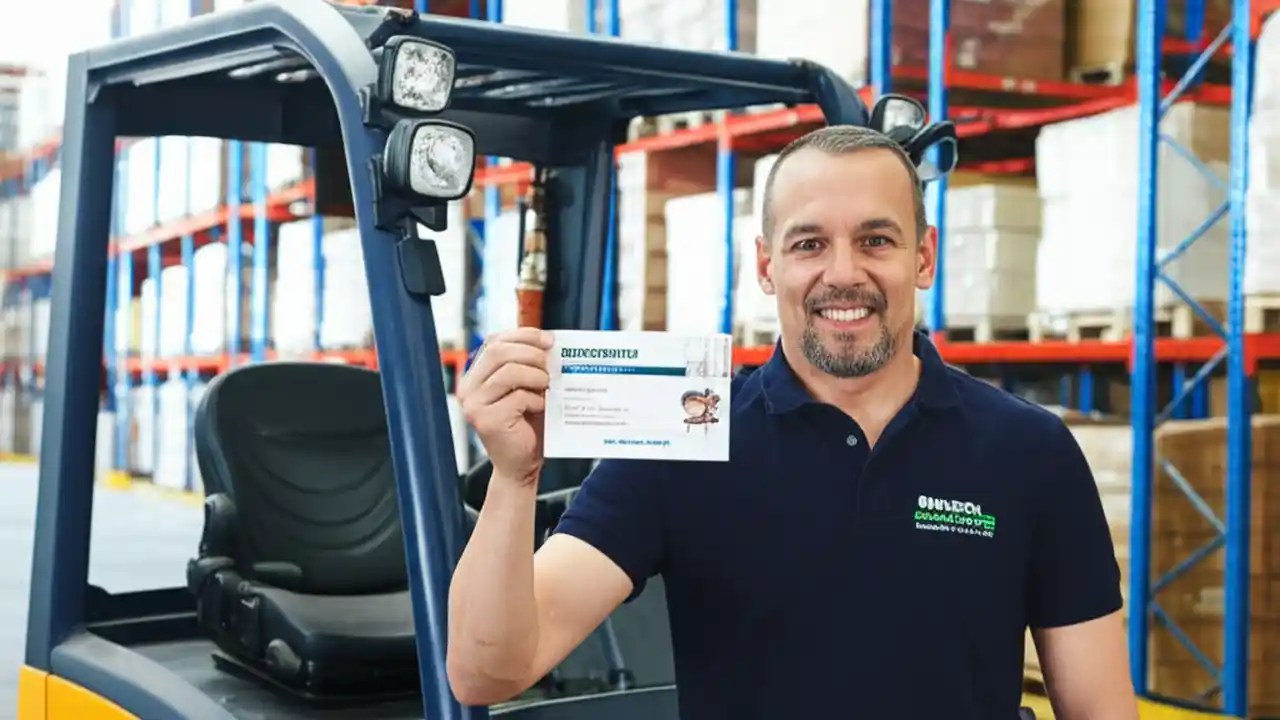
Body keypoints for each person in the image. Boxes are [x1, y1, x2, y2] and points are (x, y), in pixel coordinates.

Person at [446, 124, 1138, 719]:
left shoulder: (1028, 451)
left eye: (875, 240)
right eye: (809, 244)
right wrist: (515, 477)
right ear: (766, 265)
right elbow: (489, 671)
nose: (844, 273)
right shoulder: (684, 436)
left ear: (923, 256)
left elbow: (1099, 706)